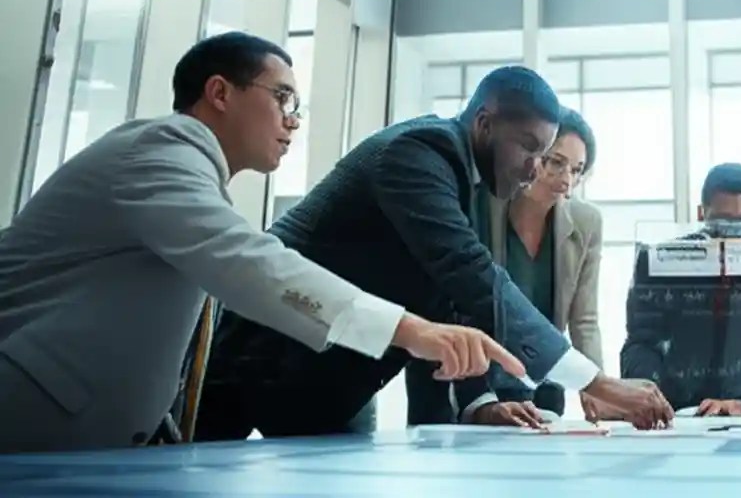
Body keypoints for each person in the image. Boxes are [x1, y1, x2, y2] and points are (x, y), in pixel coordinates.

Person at [0, 33, 516, 453]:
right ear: (220, 93)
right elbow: (251, 265)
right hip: (30, 417)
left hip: (94, 440)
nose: (292, 119)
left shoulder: (191, 176)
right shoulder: (158, 152)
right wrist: (409, 330)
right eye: (282, 98)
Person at [196, 66, 671, 439]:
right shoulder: (418, 155)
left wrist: (480, 403)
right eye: (529, 149)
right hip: (261, 357)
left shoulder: (465, 181)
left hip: (330, 376)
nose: (532, 169)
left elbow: (447, 300)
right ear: (485, 123)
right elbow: (472, 277)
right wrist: (597, 383)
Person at [427, 108, 606, 426]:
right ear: (532, 155)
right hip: (472, 385)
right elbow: (457, 306)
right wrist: (481, 402)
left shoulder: (585, 221)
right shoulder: (480, 204)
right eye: (556, 162)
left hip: (542, 390)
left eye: (577, 170)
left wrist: (597, 386)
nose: (566, 181)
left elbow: (585, 321)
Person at [620, 163, 741, 418]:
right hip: (673, 414)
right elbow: (640, 343)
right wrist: (650, 396)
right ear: (702, 213)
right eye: (723, 222)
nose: (731, 235)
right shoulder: (659, 263)